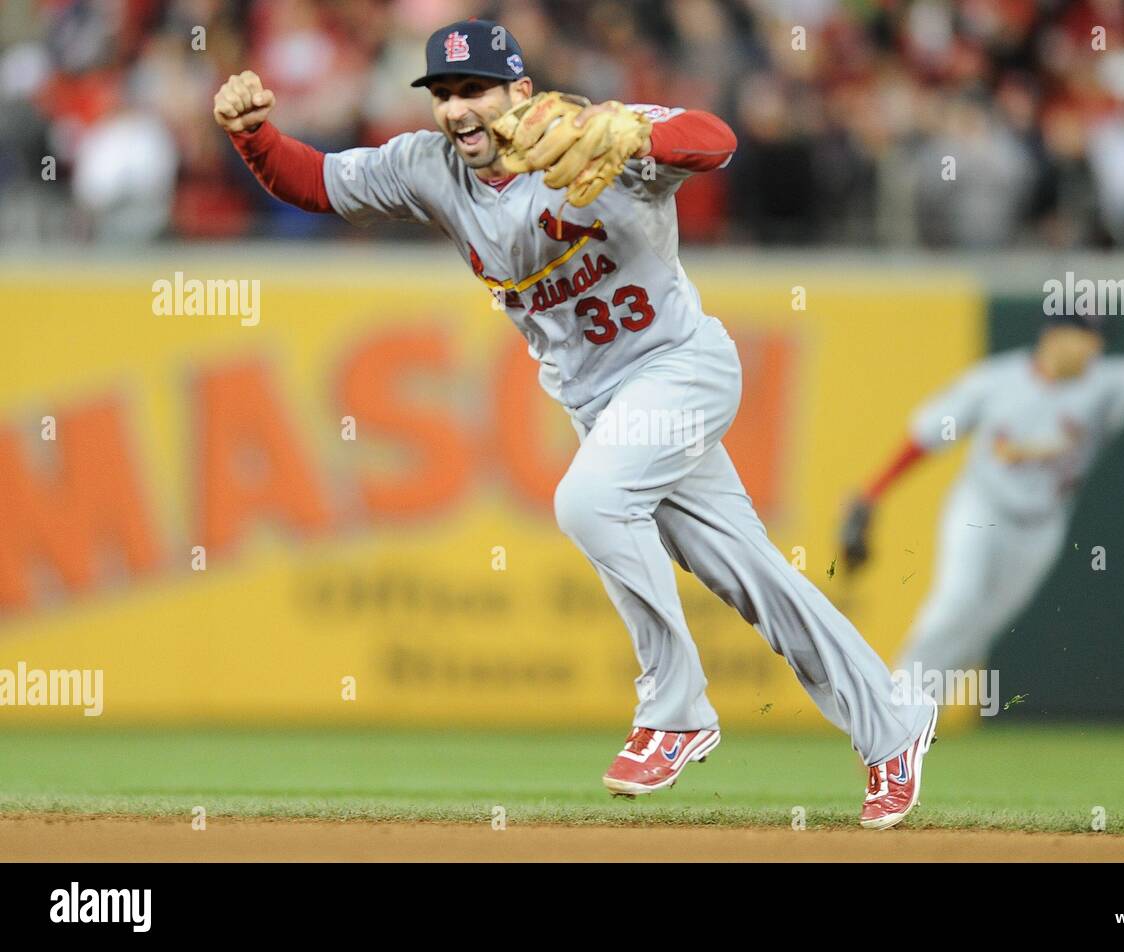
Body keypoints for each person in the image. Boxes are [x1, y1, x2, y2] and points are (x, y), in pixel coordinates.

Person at [214, 19, 936, 829]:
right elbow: (311, 179)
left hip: (680, 368)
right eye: (445, 94)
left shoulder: (596, 136)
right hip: (604, 406)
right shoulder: (429, 168)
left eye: (474, 90)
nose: (457, 111)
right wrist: (252, 135)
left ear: (518, 92)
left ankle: (676, 714)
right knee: (750, 574)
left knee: (588, 502)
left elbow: (718, 141)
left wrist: (634, 133)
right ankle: (894, 724)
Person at [839, 313, 1124, 690]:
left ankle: (906, 729)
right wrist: (871, 493)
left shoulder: (1106, 384)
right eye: (1086, 334)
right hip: (980, 510)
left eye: (1098, 338)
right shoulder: (995, 380)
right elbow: (925, 438)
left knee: (976, 633)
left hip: (1040, 528)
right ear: (1054, 334)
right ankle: (890, 714)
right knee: (954, 604)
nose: (1094, 347)